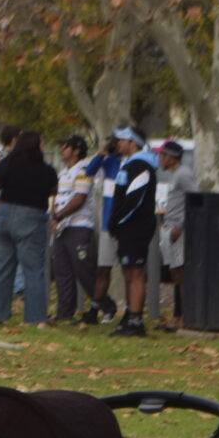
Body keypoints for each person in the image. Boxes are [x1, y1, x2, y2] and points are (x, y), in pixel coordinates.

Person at [0, 130, 58, 329]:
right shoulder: (47, 171)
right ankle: (36, 318)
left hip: (4, 215)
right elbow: (53, 191)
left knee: (1, 269)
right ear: (36, 146)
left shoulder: (6, 164)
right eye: (42, 142)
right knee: (33, 270)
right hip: (31, 217)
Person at [106, 127, 157, 338]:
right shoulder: (128, 164)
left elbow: (134, 198)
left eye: (122, 139)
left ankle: (136, 320)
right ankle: (129, 313)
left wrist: (118, 220)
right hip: (127, 227)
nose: (118, 143)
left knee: (135, 272)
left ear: (133, 143)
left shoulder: (140, 165)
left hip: (136, 226)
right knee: (128, 271)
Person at [50, 136, 95, 324]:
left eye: (66, 146)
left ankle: (103, 304)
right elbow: (56, 197)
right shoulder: (63, 173)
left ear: (76, 150)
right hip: (61, 229)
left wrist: (59, 216)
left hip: (79, 226)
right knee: (62, 272)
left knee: (83, 269)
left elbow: (79, 197)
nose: (62, 149)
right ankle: (64, 312)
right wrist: (53, 216)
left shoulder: (84, 169)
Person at [84, 135, 126, 325]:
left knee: (129, 269)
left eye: (119, 142)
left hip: (124, 224)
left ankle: (131, 311)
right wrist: (101, 153)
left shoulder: (131, 163)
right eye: (114, 143)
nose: (116, 146)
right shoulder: (109, 162)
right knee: (103, 268)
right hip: (107, 224)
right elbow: (90, 171)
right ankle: (96, 308)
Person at [158, 140, 200, 332]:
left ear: (172, 157)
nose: (160, 159)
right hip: (169, 228)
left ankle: (185, 318)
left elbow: (195, 199)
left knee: (181, 274)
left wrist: (181, 225)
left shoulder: (183, 174)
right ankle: (176, 316)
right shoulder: (174, 176)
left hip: (177, 230)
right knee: (174, 274)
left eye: (163, 155)